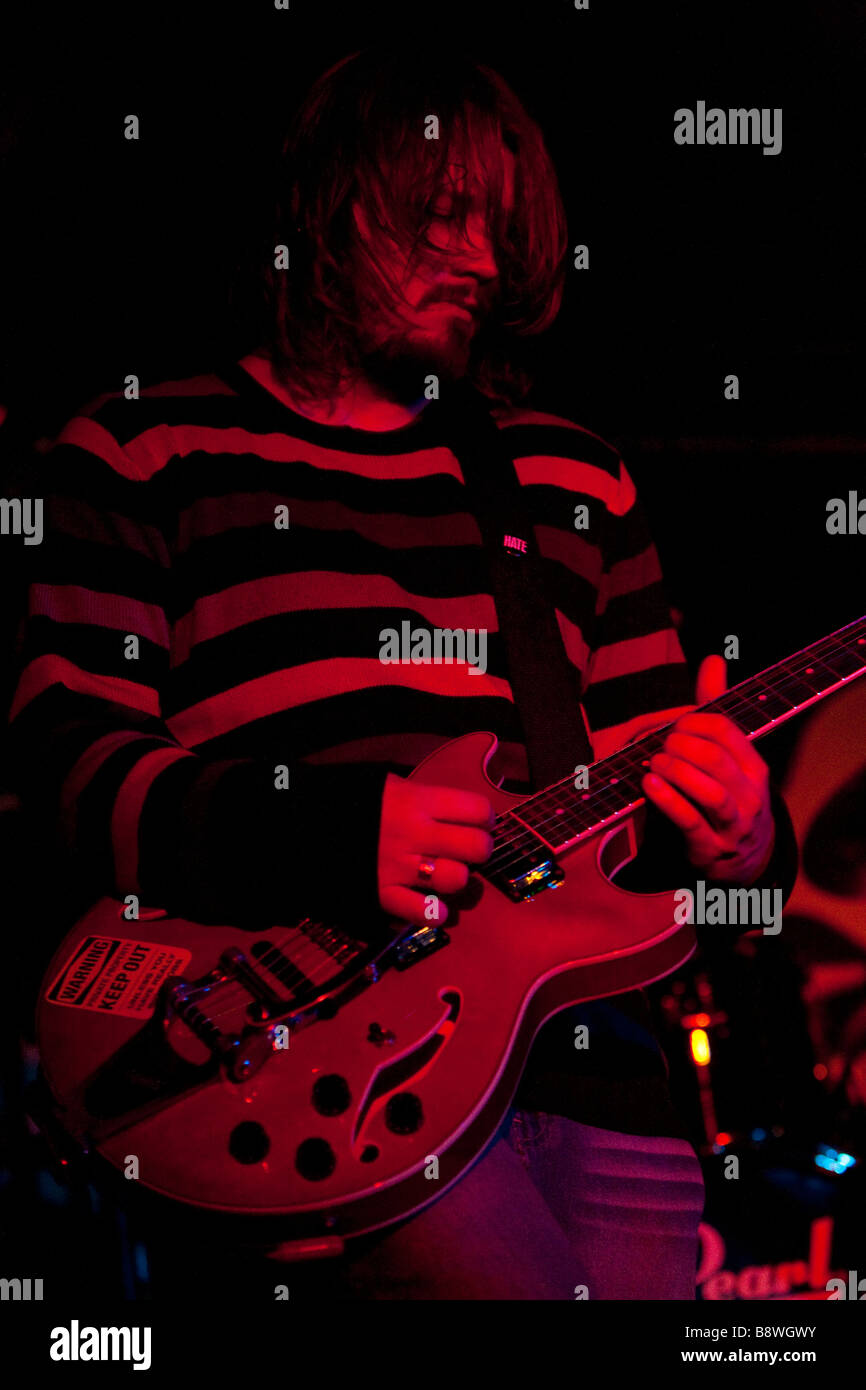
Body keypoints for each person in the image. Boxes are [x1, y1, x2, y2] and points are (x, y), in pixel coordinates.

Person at [8, 43, 797, 1300]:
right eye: (440, 217)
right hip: (311, 1066)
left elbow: (655, 852)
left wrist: (741, 839)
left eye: (500, 228)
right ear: (331, 199)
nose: (480, 263)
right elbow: (61, 771)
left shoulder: (572, 481)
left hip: (603, 1087)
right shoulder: (144, 447)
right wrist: (327, 830)